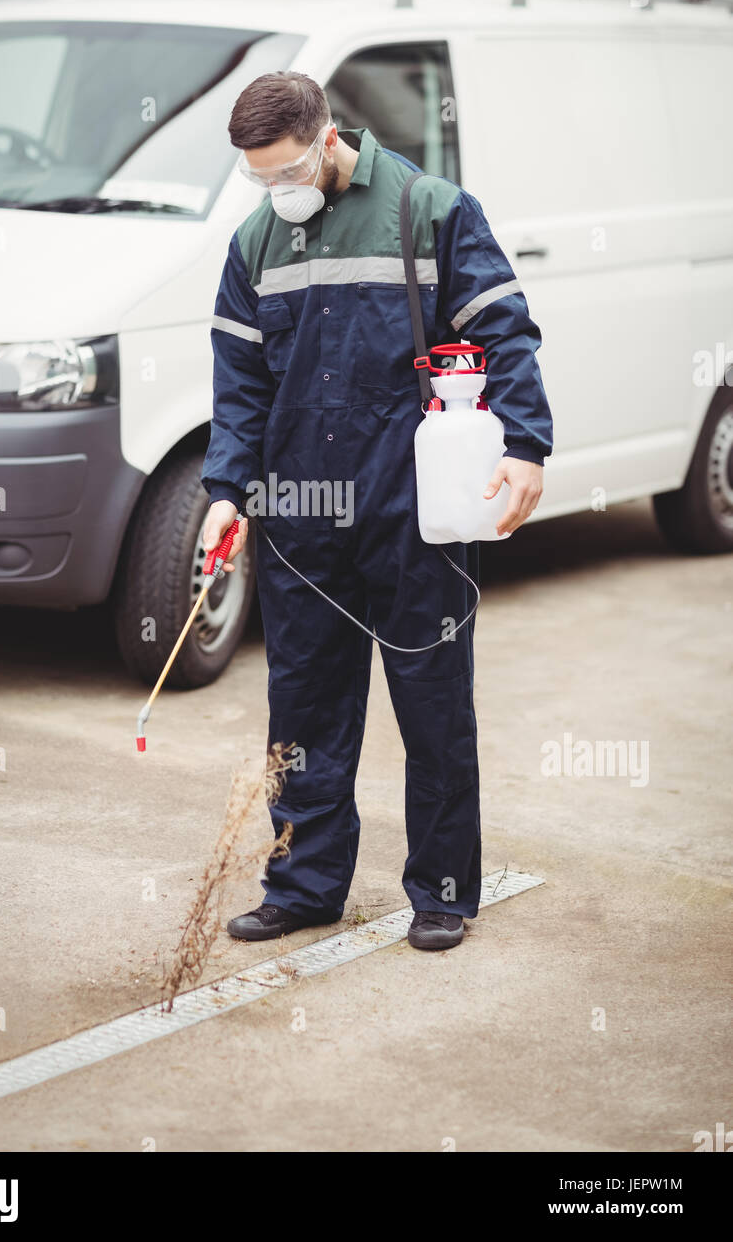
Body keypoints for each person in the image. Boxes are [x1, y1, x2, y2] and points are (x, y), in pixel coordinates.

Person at [201, 72, 553, 950]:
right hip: (298, 516)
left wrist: (526, 447)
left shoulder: (428, 211)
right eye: (257, 178)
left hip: (412, 510)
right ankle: (304, 885)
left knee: (433, 707)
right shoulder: (254, 246)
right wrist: (224, 493)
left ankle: (441, 895)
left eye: (283, 171)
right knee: (305, 712)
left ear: (327, 141)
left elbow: (502, 328)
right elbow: (240, 388)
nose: (273, 191)